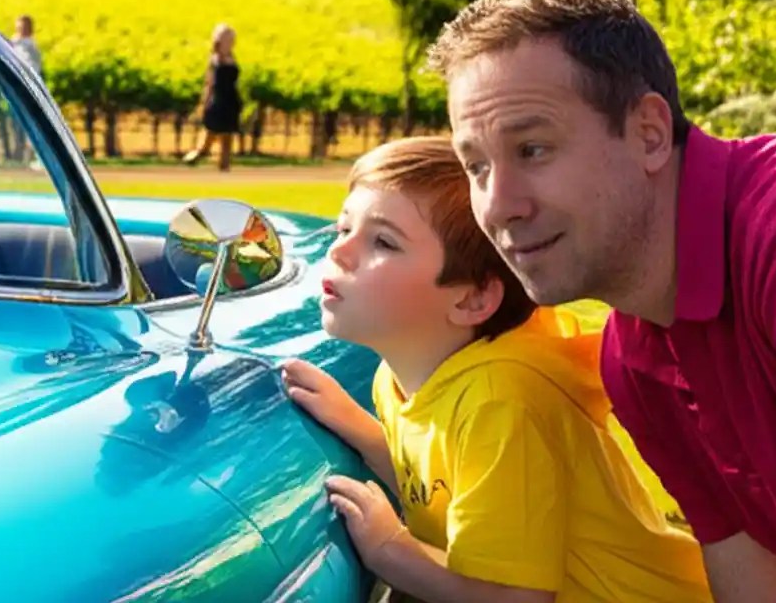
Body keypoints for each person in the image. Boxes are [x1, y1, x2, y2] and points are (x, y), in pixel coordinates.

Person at [434, 0, 776, 603]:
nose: (498, 205)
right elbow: (769, 590)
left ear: (650, 134)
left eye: (533, 149)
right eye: (475, 166)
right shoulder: (633, 360)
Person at [279, 136, 712, 603]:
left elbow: (515, 598)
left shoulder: (502, 401)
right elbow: (441, 485)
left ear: (472, 299)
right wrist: (358, 428)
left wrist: (391, 551)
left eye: (383, 241)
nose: (340, 251)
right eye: (343, 228)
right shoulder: (401, 378)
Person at [182, 23, 241, 172]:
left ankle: (224, 169)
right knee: (210, 135)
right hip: (218, 101)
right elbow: (209, 83)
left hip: (230, 100)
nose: (230, 41)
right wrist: (204, 101)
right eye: (227, 38)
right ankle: (196, 155)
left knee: (227, 138)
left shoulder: (232, 57)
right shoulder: (215, 58)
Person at [8, 13, 42, 163]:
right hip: (15, 87)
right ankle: (19, 154)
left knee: (31, 122)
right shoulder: (13, 42)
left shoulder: (30, 45)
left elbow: (33, 66)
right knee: (16, 122)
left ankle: (32, 155)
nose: (19, 29)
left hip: (29, 88)